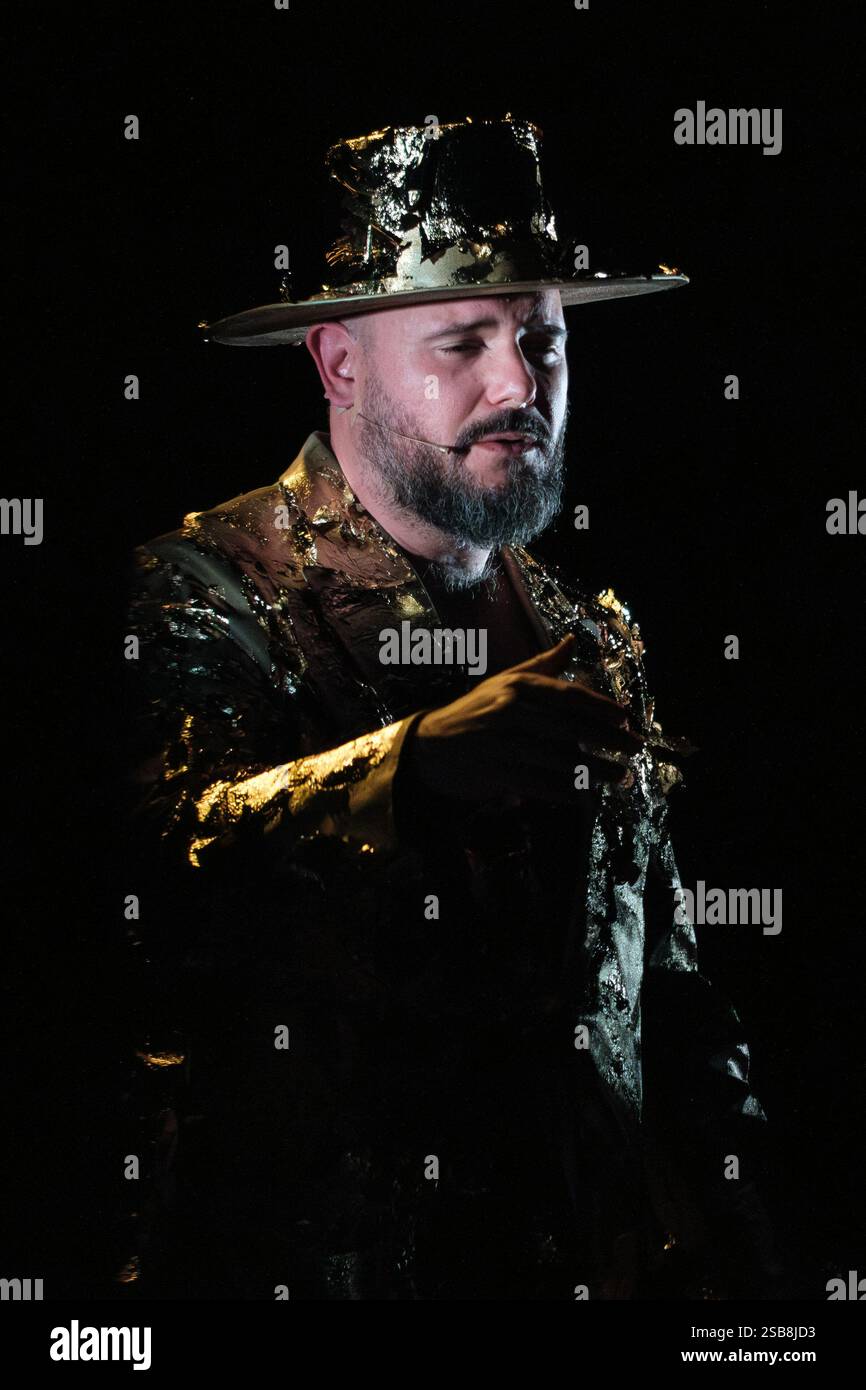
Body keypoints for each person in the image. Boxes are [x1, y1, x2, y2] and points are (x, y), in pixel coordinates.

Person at [119, 115, 779, 1299]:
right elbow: (142, 891)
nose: (517, 384)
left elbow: (667, 987)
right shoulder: (211, 588)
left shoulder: (591, 636)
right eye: (463, 342)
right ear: (339, 364)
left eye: (540, 341)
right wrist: (405, 770)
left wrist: (754, 1254)